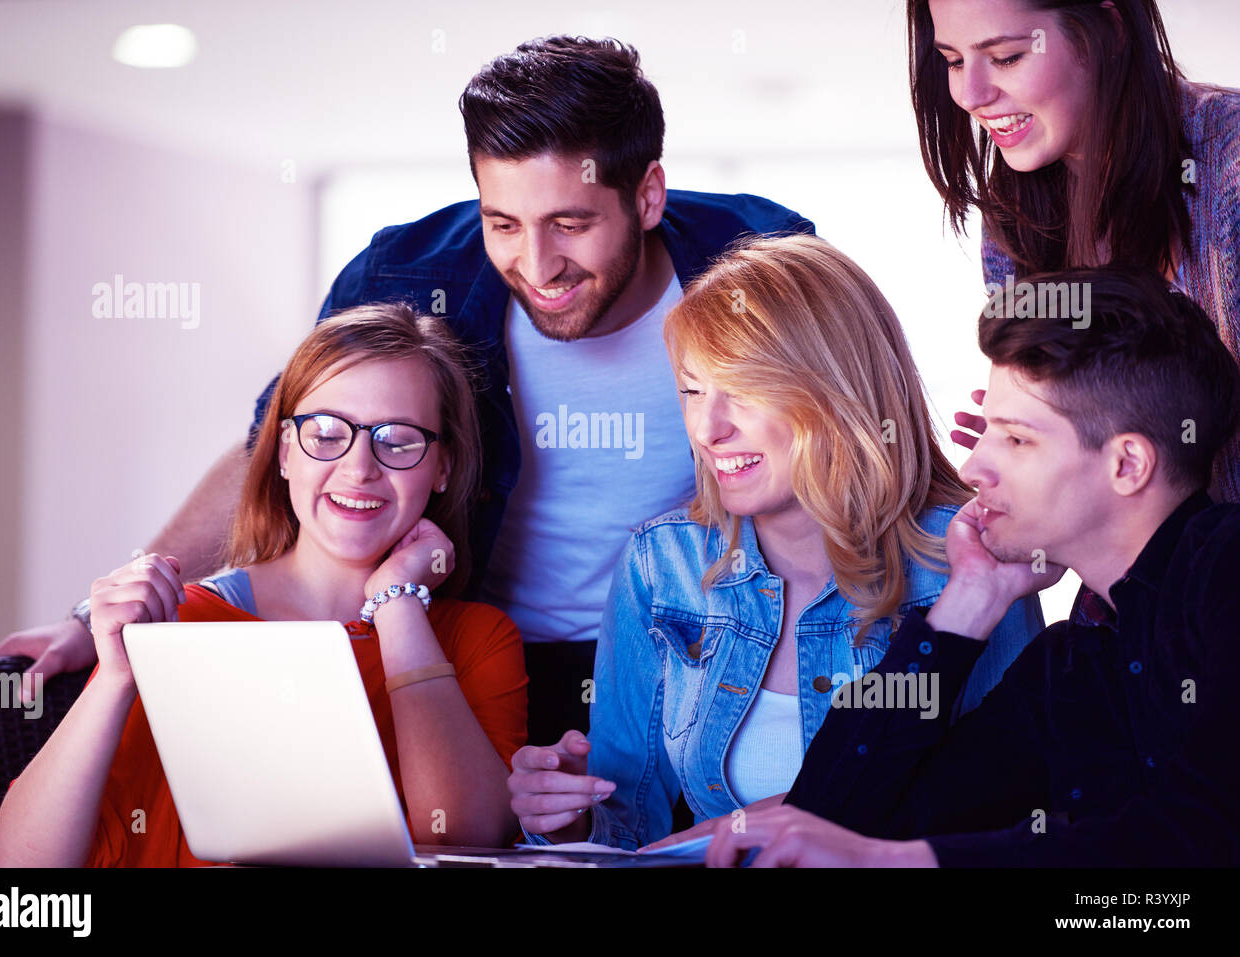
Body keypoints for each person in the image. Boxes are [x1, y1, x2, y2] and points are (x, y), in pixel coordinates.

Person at [0, 36, 816, 749]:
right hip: (470, 653)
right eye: (502, 223)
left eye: (570, 223)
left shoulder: (760, 260)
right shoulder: (405, 274)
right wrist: (93, 609)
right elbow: (272, 452)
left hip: (699, 660)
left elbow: (837, 437)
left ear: (647, 196)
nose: (536, 263)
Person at [681, 267, 1240, 867]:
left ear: (1127, 465)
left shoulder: (1226, 572)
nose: (974, 470)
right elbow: (841, 811)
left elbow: (1206, 836)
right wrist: (969, 601)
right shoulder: (1075, 667)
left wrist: (894, 863)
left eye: (1017, 440)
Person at [508, 235, 1045, 849]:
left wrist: (765, 820)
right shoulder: (663, 564)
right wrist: (566, 813)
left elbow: (1006, 809)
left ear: (837, 390)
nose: (708, 429)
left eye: (745, 388)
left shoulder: (967, 557)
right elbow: (628, 836)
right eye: (691, 390)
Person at [0, 304, 527, 866]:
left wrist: (396, 602)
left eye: (398, 442)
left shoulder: (479, 640)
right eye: (326, 434)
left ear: (442, 467)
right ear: (284, 451)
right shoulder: (178, 622)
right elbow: (23, 870)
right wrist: (118, 677)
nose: (359, 468)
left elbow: (462, 834)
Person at [907, 0, 1240, 499]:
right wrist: (1038, 447)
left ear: (1107, 27)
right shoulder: (1013, 216)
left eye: (1006, 57)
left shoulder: (1230, 164)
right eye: (953, 61)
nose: (970, 95)